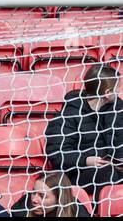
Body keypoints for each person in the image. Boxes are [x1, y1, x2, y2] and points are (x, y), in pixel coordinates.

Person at [46, 63, 123, 197]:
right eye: (117, 89)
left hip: (112, 167)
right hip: (78, 173)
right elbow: (57, 154)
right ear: (107, 93)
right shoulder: (69, 114)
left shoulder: (118, 109)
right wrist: (86, 160)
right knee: (106, 173)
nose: (118, 92)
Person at [11, 171, 86, 218]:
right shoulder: (22, 207)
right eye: (34, 192)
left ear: (59, 199)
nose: (34, 200)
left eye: (42, 196)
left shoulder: (76, 210)